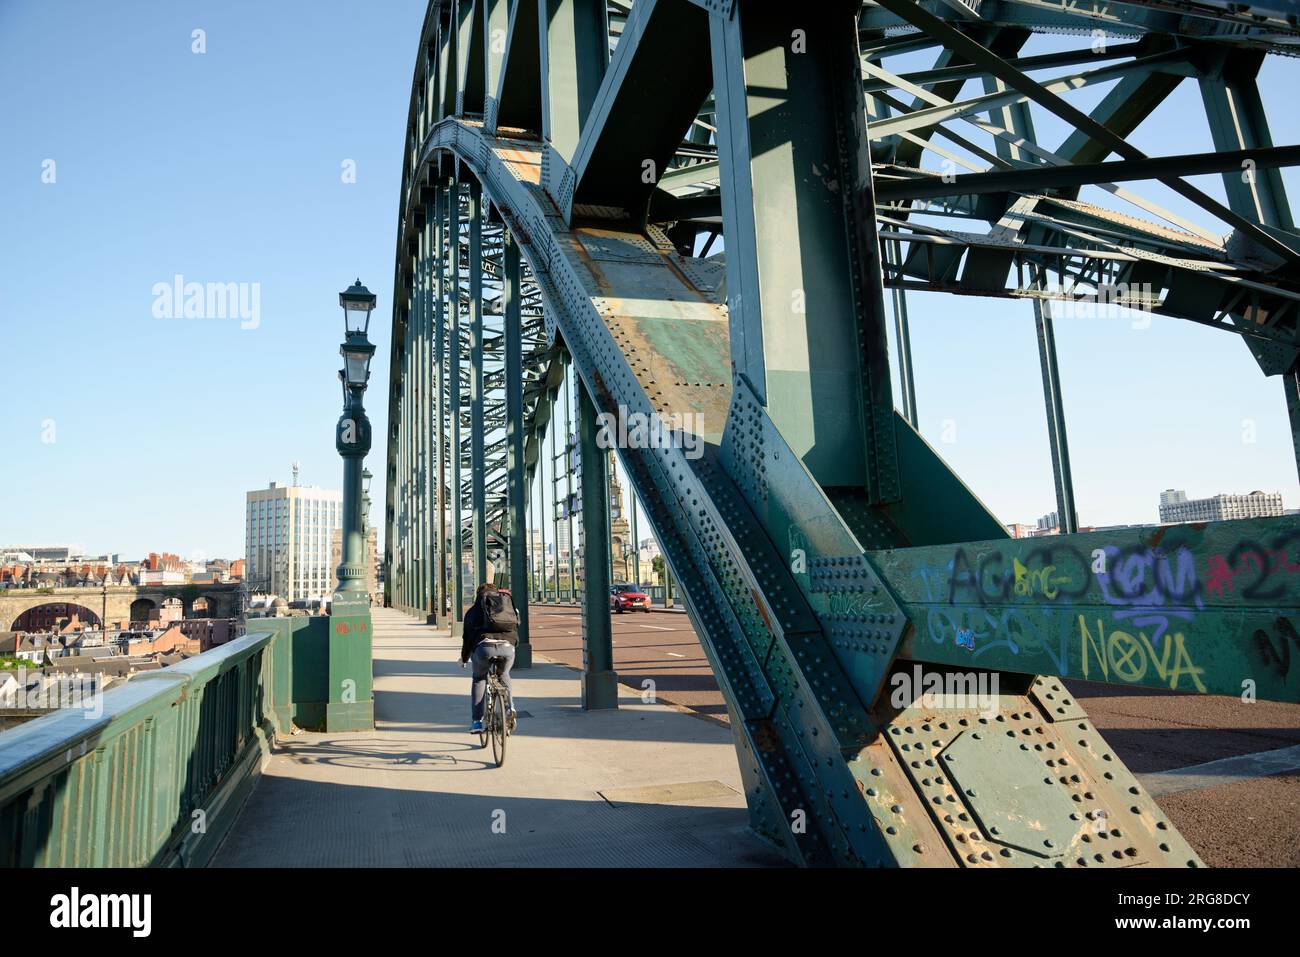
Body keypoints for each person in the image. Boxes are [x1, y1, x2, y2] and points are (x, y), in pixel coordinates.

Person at [459, 582, 518, 733]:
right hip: (507, 648)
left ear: (479, 595)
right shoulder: (506, 605)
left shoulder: (473, 611)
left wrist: (464, 658)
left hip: (484, 648)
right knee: (504, 673)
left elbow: (467, 639)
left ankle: (477, 722)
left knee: (479, 679)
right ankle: (509, 707)